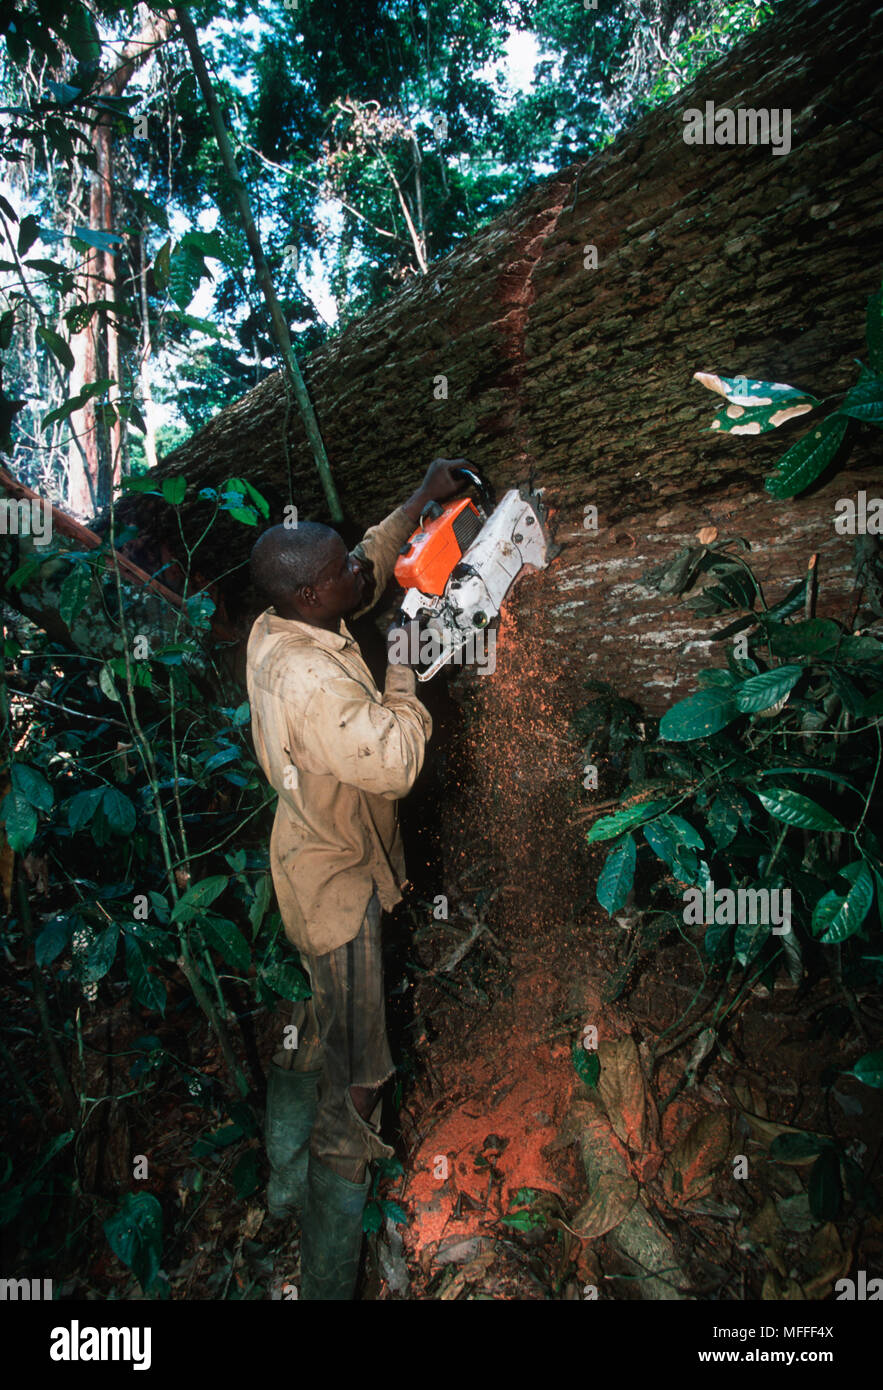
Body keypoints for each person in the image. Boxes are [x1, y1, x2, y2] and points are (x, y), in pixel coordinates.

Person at [245, 457, 464, 1300]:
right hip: (339, 889)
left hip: (300, 858)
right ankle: (328, 1266)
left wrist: (421, 496)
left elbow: (367, 566)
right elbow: (397, 759)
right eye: (334, 569)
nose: (353, 572)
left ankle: (280, 1185)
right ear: (308, 597)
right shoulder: (307, 678)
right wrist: (408, 657)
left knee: (308, 1026)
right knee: (361, 1075)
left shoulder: (282, 622)